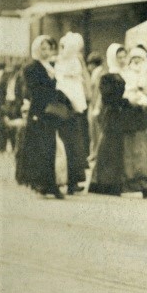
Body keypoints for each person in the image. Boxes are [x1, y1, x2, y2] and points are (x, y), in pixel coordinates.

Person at [21, 36, 66, 198]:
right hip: (38, 112)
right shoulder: (31, 68)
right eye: (43, 48)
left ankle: (49, 183)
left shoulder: (52, 67)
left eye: (48, 48)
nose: (46, 51)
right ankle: (41, 182)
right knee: (39, 147)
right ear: (37, 50)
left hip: (50, 112)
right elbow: (35, 90)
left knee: (50, 147)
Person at [89, 44, 130, 196]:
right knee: (107, 145)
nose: (122, 60)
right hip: (110, 113)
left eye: (124, 56)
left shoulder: (127, 73)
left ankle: (114, 183)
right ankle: (102, 182)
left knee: (117, 148)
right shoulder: (107, 76)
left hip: (121, 113)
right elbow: (106, 97)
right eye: (119, 57)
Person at [55, 32, 90, 195]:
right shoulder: (60, 63)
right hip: (65, 108)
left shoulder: (75, 61)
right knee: (67, 146)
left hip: (74, 109)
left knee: (75, 146)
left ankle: (73, 180)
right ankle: (67, 179)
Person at [121, 47, 147, 197]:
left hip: (141, 112)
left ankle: (146, 183)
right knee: (130, 149)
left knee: (143, 149)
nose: (136, 61)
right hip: (129, 111)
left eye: (139, 58)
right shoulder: (127, 72)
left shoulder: (146, 71)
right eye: (134, 58)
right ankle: (130, 182)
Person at [86, 52, 105, 161]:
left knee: (96, 129)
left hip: (96, 104)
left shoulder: (99, 74)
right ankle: (94, 152)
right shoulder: (97, 74)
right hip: (94, 104)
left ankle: (96, 152)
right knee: (94, 130)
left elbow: (98, 92)